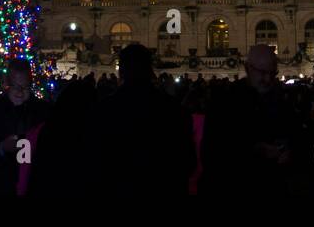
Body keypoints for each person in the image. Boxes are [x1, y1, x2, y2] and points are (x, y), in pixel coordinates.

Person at [94, 44, 195, 196]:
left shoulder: (103, 110)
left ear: (121, 71)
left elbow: (95, 162)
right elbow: (188, 162)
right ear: (150, 70)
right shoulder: (173, 109)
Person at [201, 44, 302, 196]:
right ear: (248, 69)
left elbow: (297, 136)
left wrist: (291, 151)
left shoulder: (283, 101)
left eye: (272, 73)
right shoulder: (226, 104)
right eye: (262, 73)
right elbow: (213, 154)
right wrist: (256, 150)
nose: (267, 79)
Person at [0, 59, 45, 196]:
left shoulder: (40, 112)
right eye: (17, 87)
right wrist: (1, 148)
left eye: (26, 87)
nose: (21, 93)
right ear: (7, 84)